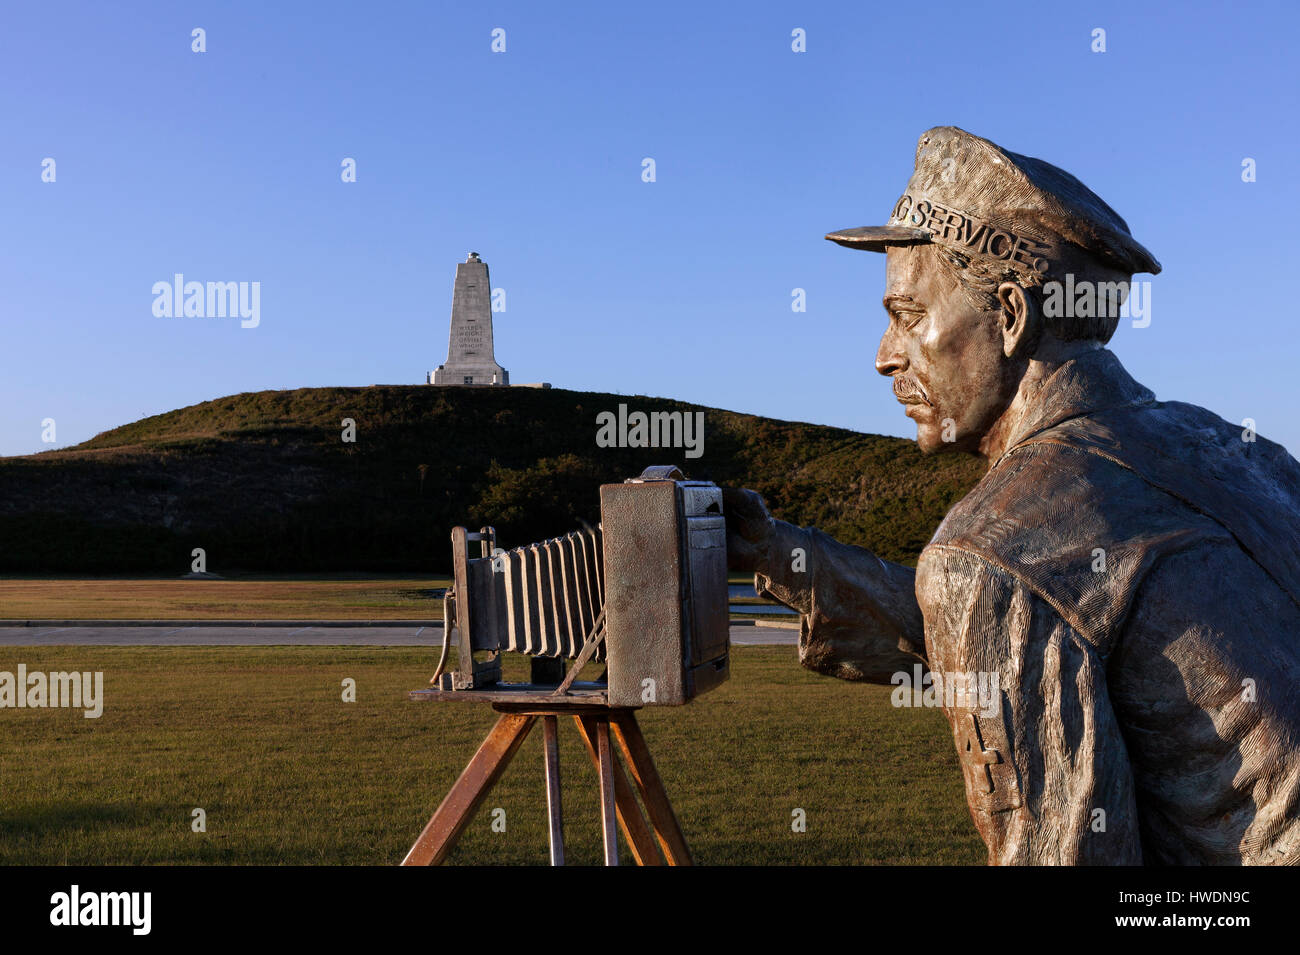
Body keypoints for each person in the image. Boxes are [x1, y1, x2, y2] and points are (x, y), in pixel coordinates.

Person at [725, 127, 1300, 865]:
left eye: (905, 316)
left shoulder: (994, 553)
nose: (882, 356)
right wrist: (779, 553)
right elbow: (1022, 614)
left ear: (1011, 315)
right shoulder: (1239, 454)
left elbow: (1062, 850)